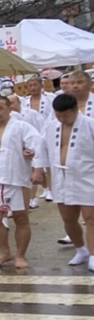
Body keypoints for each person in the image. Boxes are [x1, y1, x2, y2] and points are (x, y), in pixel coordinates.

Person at [0, 92, 45, 270]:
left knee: (20, 217)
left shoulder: (21, 127)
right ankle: (5, 251)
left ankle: (21, 255)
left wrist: (38, 168)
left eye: (0, 108)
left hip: (16, 178)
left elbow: (36, 144)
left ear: (9, 109)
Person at [45, 92, 94, 270]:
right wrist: (38, 169)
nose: (62, 119)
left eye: (66, 115)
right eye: (59, 115)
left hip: (88, 177)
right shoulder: (51, 127)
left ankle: (93, 255)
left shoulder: (90, 124)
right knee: (68, 219)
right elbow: (43, 149)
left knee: (91, 218)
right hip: (61, 177)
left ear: (75, 110)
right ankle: (81, 249)